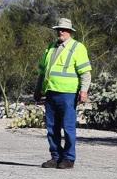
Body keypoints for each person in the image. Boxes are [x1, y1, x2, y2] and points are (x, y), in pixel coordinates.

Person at [34, 17, 92, 169]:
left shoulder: (77, 48)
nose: (61, 32)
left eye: (64, 29)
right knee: (52, 128)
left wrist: (84, 91)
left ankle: (68, 158)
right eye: (59, 29)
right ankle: (55, 157)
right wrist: (38, 89)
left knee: (68, 128)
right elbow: (42, 72)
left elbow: (86, 73)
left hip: (68, 94)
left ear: (70, 32)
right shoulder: (50, 47)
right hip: (51, 93)